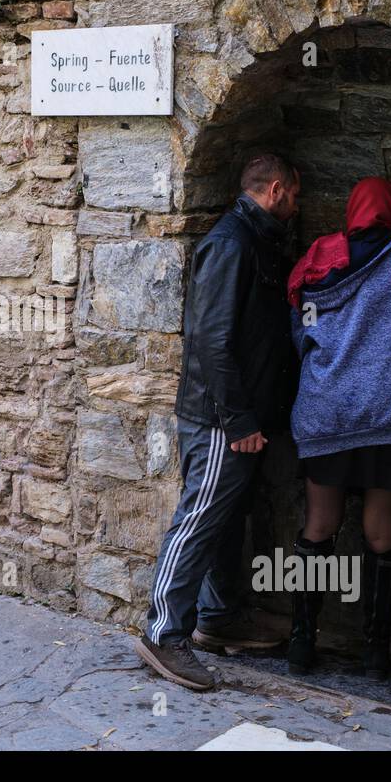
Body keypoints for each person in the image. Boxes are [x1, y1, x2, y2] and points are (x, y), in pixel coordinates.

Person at [135, 153, 299, 691]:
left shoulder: (255, 240)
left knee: (228, 519)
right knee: (201, 516)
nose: (296, 207)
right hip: (220, 419)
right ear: (275, 190)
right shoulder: (232, 243)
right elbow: (211, 339)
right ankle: (164, 633)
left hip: (241, 417)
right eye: (295, 197)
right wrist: (238, 419)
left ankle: (219, 616)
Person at [285, 176, 391, 679]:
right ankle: (375, 653)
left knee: (318, 526)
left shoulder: (317, 257)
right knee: (382, 533)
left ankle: (300, 645)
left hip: (326, 411)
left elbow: (298, 334)